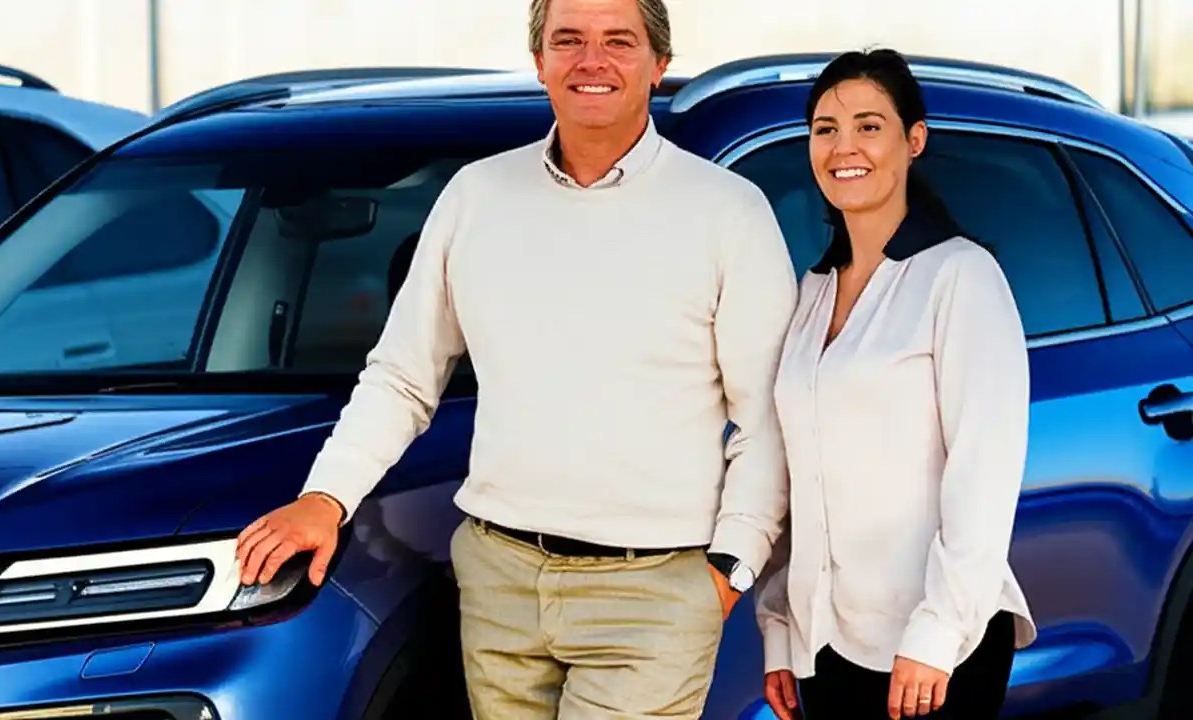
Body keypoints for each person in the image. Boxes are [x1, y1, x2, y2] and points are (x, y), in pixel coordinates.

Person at [236, 0, 798, 717]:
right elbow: (404, 377)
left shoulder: (728, 213)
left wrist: (728, 570)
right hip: (500, 580)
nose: (591, 60)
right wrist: (326, 496)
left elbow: (767, 421)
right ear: (540, 62)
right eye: (568, 39)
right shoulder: (477, 196)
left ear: (659, 65)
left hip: (653, 591)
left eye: (618, 41)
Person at [756, 49, 1038, 720]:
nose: (843, 147)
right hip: (827, 645)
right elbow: (802, 477)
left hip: (937, 647)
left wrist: (938, 634)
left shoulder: (960, 278)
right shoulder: (812, 294)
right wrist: (781, 630)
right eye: (825, 129)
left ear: (914, 140)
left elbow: (983, 475)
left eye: (868, 125)